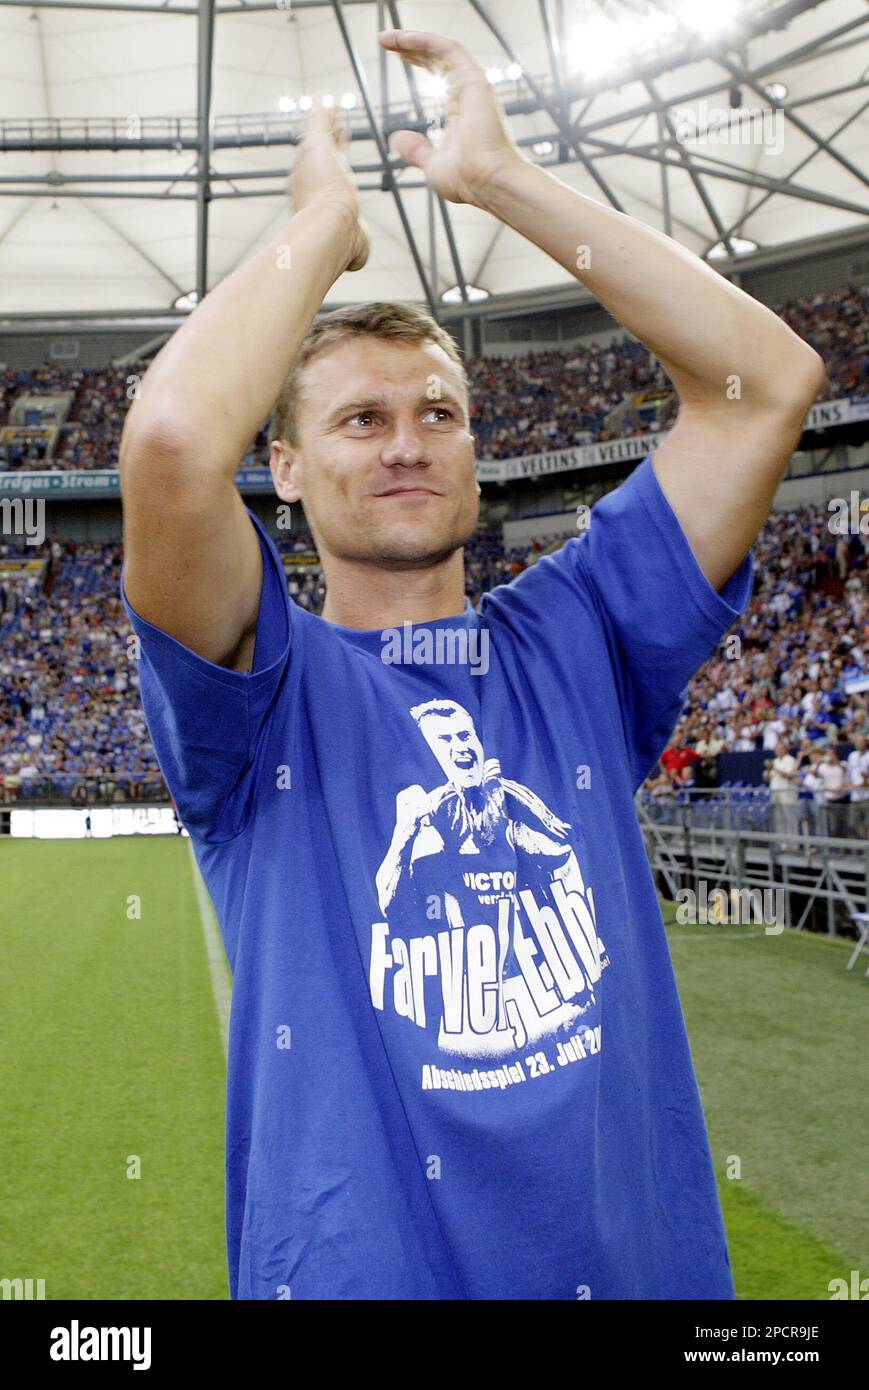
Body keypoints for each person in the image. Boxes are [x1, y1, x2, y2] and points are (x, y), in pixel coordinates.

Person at [117, 29, 824, 1301]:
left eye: (438, 412)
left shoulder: (578, 632)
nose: (407, 443)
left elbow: (762, 384)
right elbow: (171, 443)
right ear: (283, 467)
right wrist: (323, 225)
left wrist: (500, 178)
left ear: (474, 447)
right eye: (359, 417)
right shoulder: (259, 699)